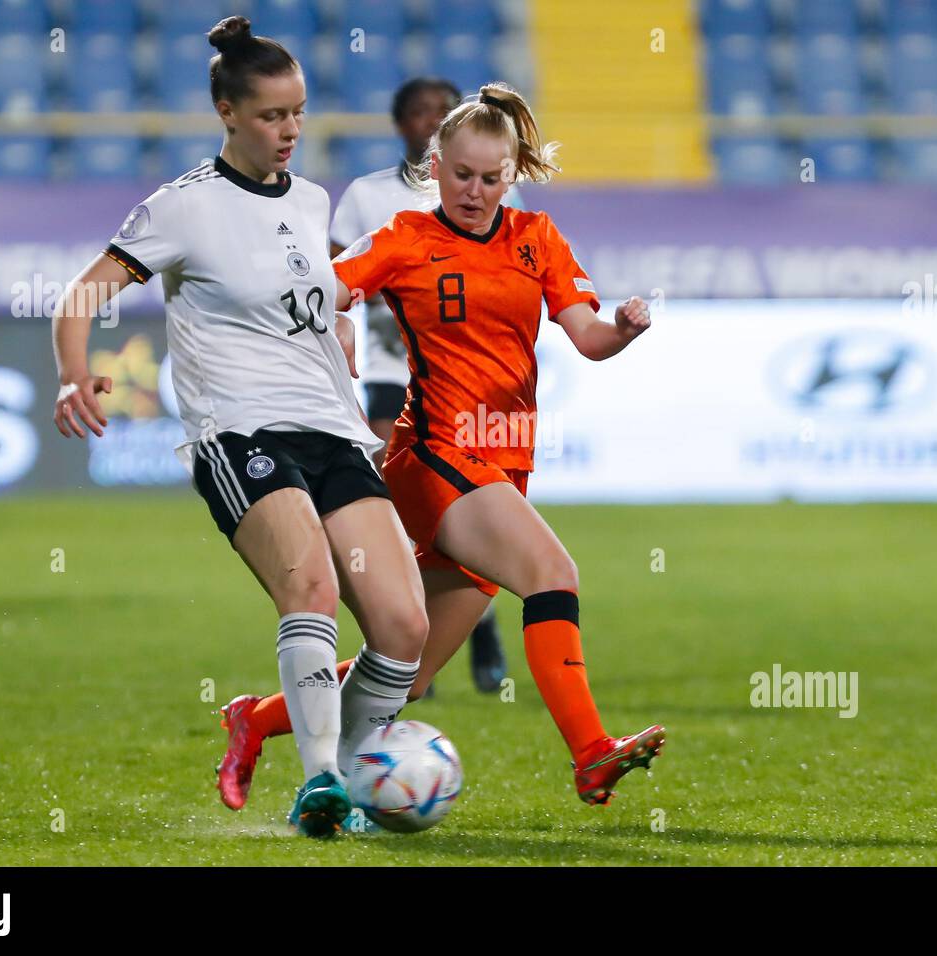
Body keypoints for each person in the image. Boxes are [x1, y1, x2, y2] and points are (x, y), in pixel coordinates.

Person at [237, 82, 665, 806]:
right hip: (435, 454)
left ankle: (254, 719)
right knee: (554, 574)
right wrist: (328, 322)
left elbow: (587, 336)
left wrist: (621, 329)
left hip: (505, 463)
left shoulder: (538, 240)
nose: (475, 190)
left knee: (405, 666)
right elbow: (325, 290)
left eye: (491, 178)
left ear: (513, 175)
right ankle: (591, 754)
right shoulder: (406, 238)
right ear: (435, 165)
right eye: (461, 174)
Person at [50, 16, 427, 837]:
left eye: (298, 113)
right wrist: (76, 372)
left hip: (331, 428)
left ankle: (342, 767)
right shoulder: (183, 208)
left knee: (405, 629)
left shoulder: (314, 198)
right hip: (240, 432)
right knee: (313, 587)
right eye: (270, 116)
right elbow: (79, 296)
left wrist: (337, 330)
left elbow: (309, 302)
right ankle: (323, 780)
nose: (289, 131)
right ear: (226, 111)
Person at [330, 75, 508, 695]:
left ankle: (475, 627)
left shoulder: (490, 190)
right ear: (401, 124)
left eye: (442, 112)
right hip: (389, 370)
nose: (429, 121)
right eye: (418, 113)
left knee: (468, 516)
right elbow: (334, 286)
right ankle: (408, 641)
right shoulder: (366, 197)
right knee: (402, 514)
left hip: (468, 385)